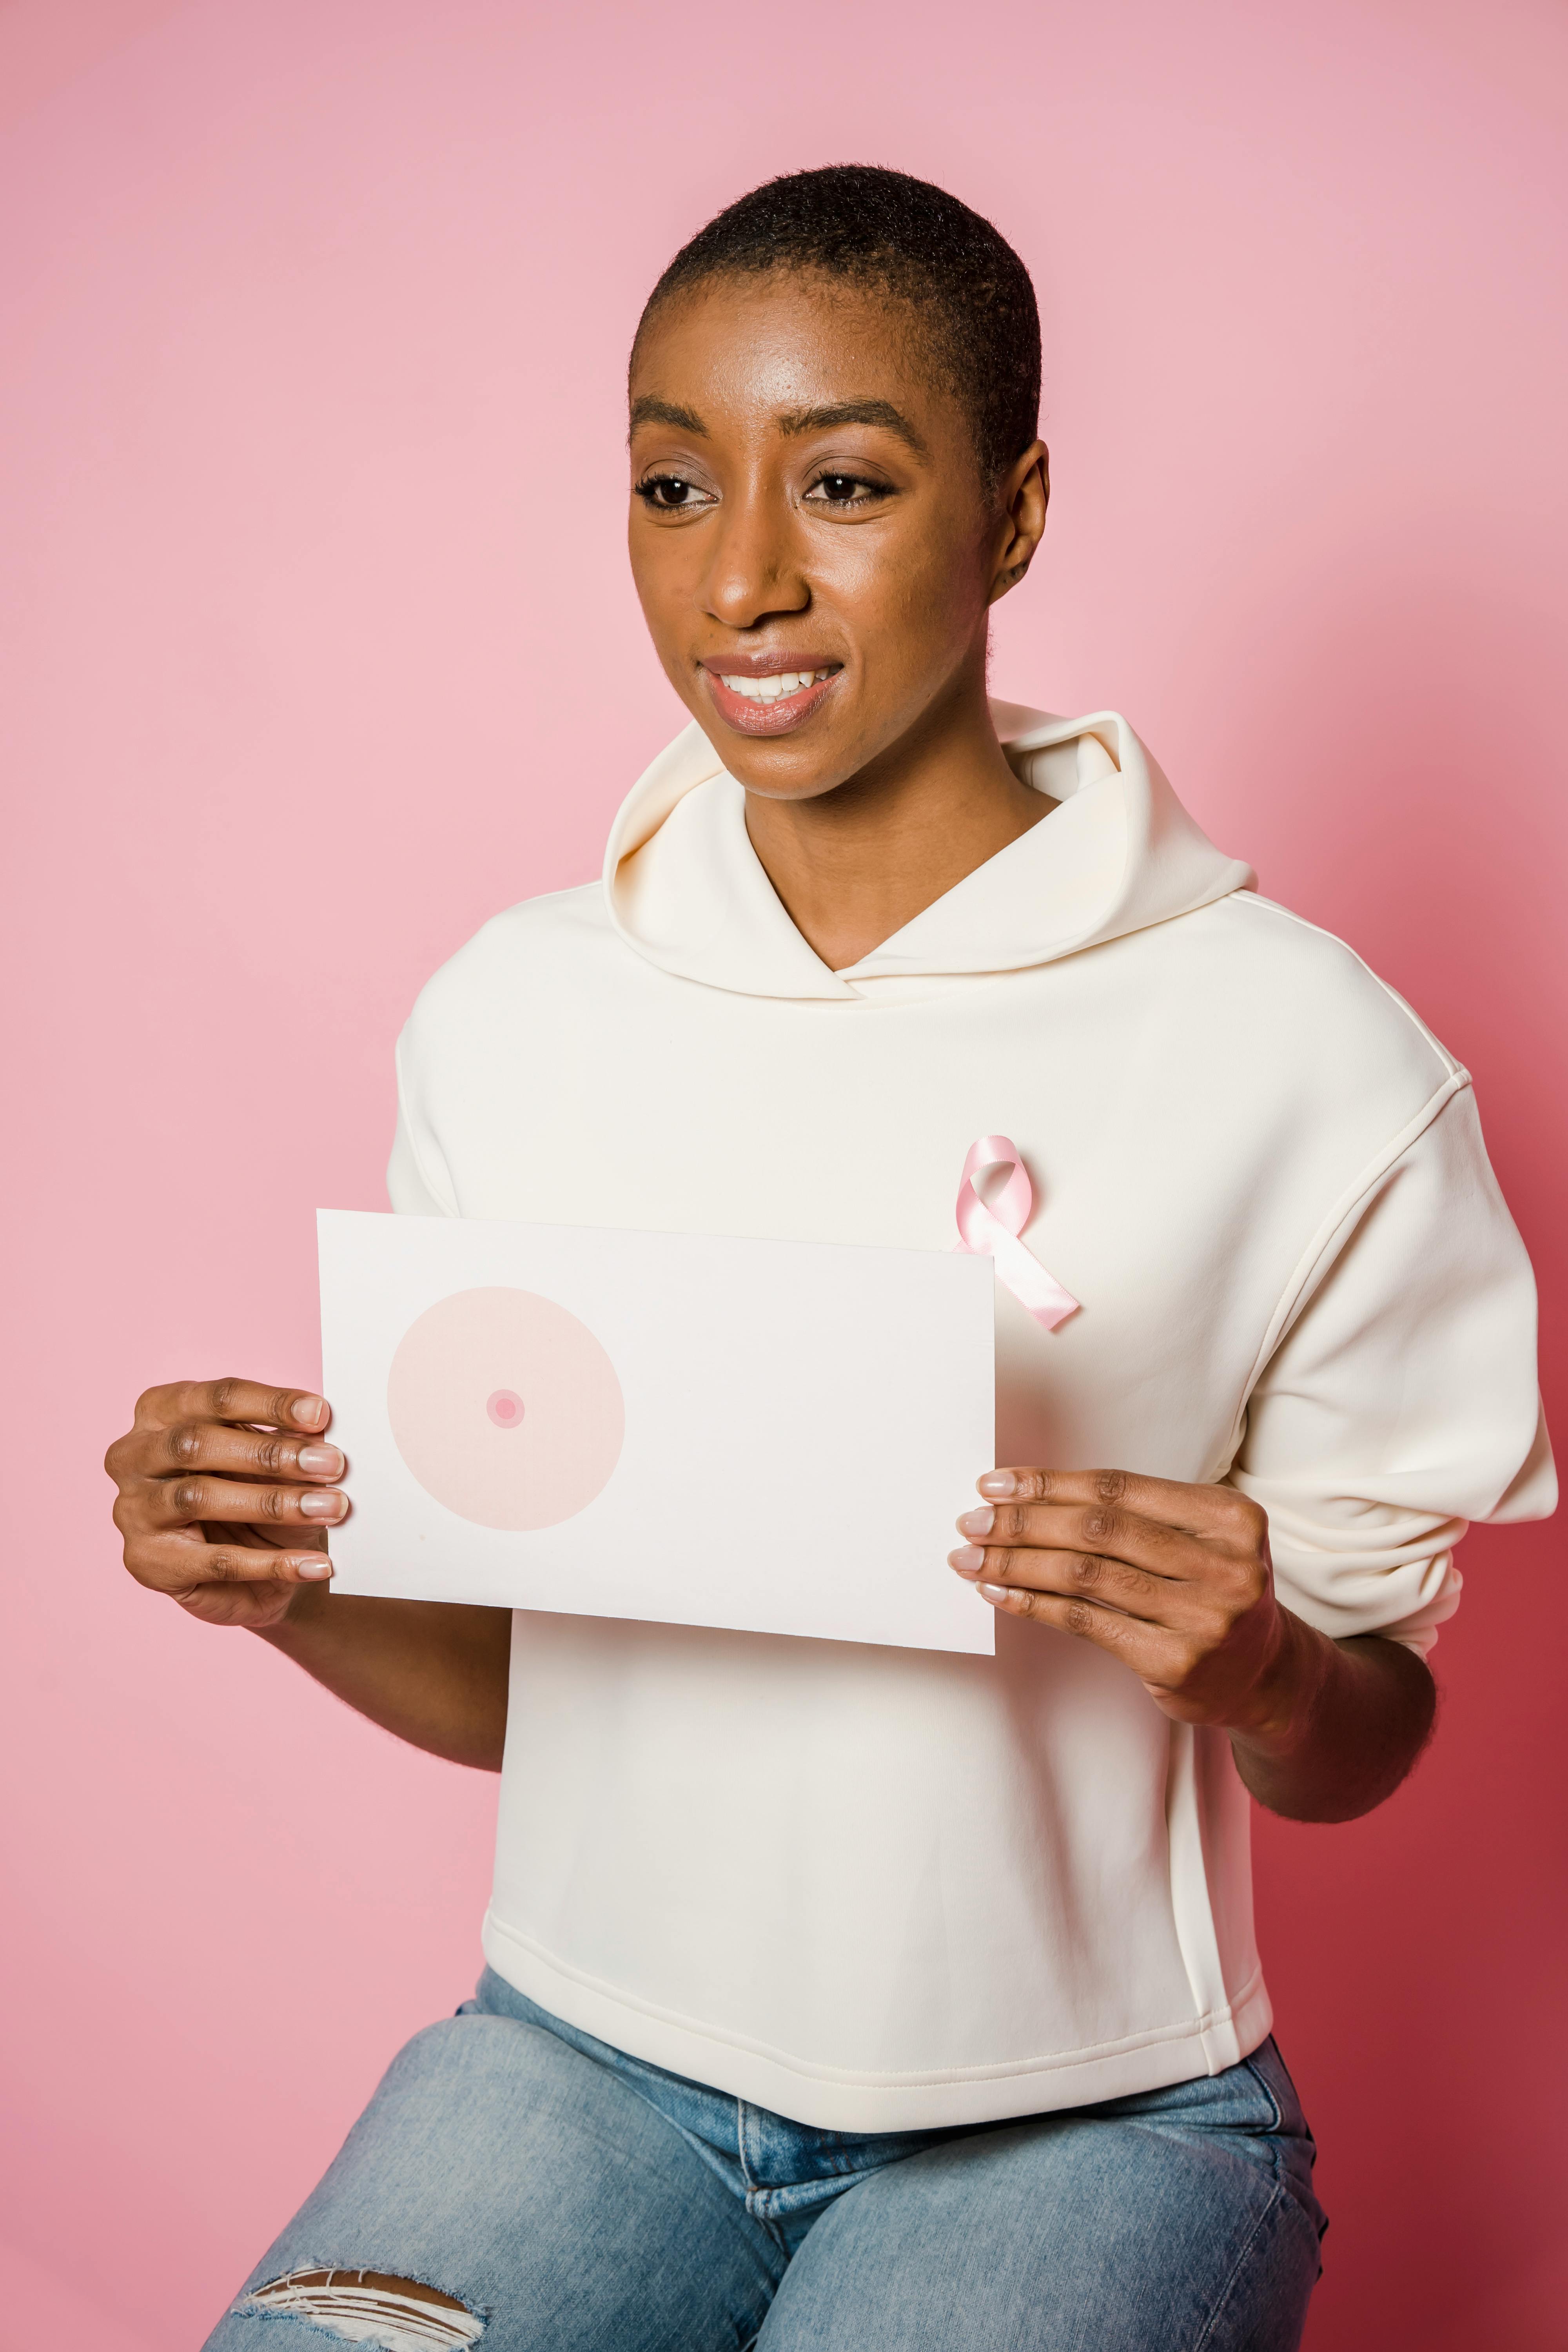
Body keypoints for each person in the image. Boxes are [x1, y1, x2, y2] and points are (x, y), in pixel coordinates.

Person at [106, 165, 1553, 2352]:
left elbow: (1365, 1728)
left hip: (1096, 2122)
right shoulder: (516, 1017)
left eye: (850, 483)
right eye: (673, 487)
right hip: (573, 2061)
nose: (746, 579)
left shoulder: (1310, 1061)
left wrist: (1266, 1664)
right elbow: (534, 1688)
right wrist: (288, 1577)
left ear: (1017, 510)